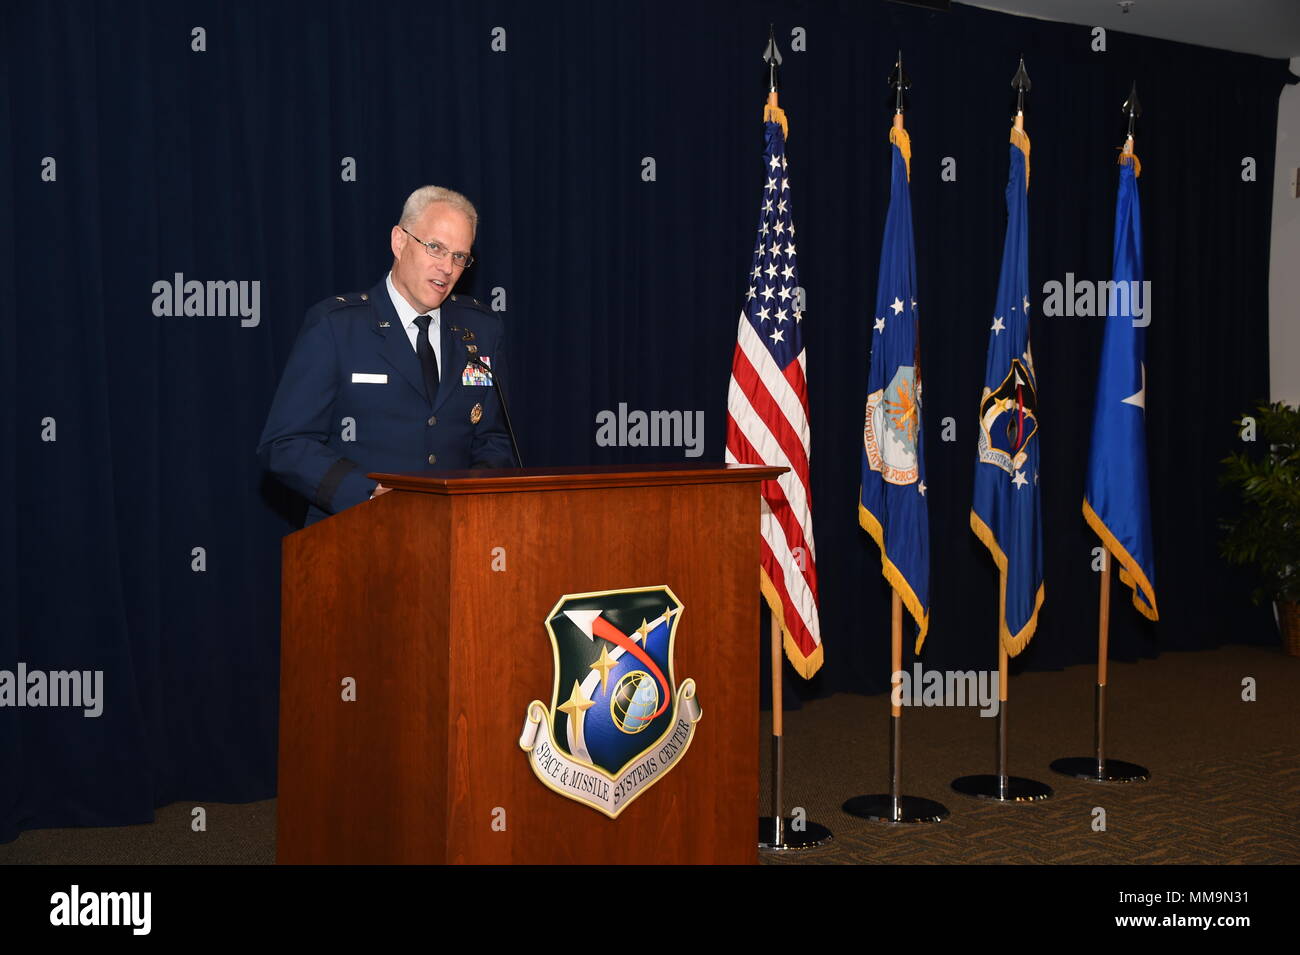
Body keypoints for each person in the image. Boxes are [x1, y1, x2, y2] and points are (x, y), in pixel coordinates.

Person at [258, 186, 513, 526]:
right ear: (399, 241)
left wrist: (468, 497)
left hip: (455, 539)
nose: (447, 268)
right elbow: (285, 444)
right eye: (435, 248)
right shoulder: (338, 326)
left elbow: (495, 440)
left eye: (459, 257)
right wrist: (367, 493)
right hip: (356, 534)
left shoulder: (481, 331)